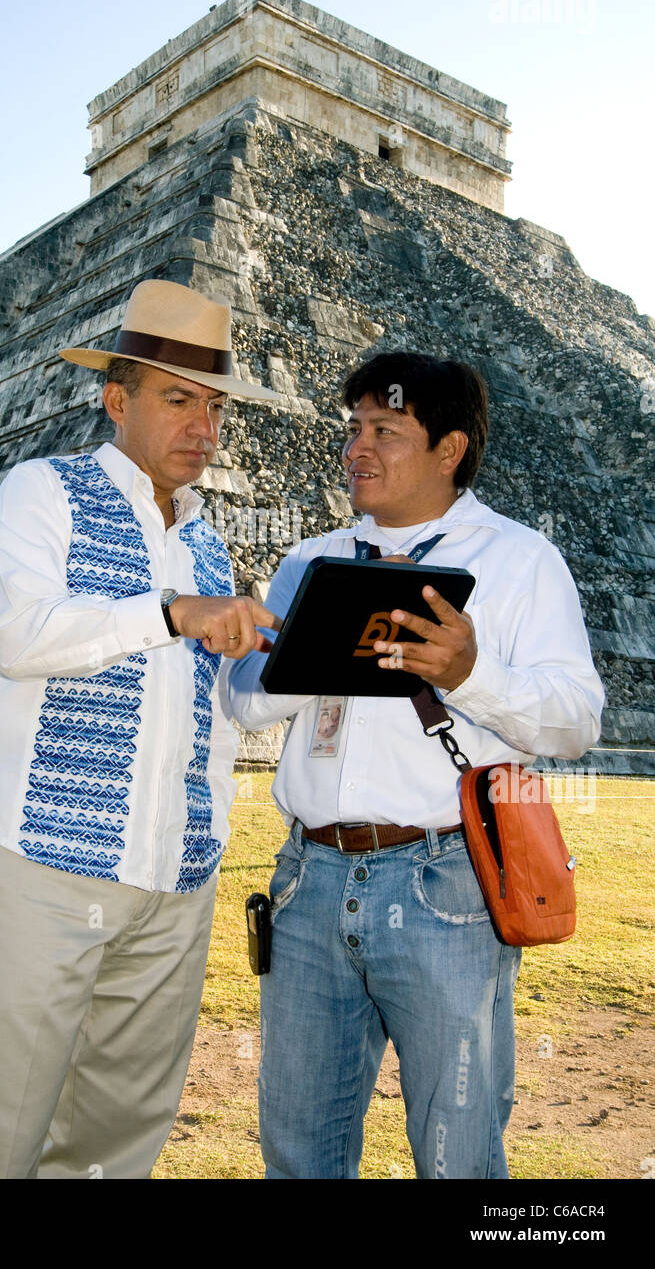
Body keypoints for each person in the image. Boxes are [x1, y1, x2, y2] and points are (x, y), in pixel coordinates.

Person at [0, 279, 280, 1179]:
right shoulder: (42, 492)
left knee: (114, 1143)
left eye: (215, 406)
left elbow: (212, 706)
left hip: (171, 881)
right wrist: (169, 613)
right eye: (177, 399)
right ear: (117, 400)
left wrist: (303, 681)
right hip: (35, 862)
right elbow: (19, 635)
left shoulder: (205, 544)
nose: (203, 425)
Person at [225, 350, 604, 1180]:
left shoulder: (518, 560)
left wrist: (471, 674)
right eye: (354, 428)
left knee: (457, 1152)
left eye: (385, 430)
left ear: (449, 449)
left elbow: (574, 720)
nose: (357, 448)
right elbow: (244, 702)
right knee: (299, 1149)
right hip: (308, 878)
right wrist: (304, 655)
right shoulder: (308, 561)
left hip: (445, 884)